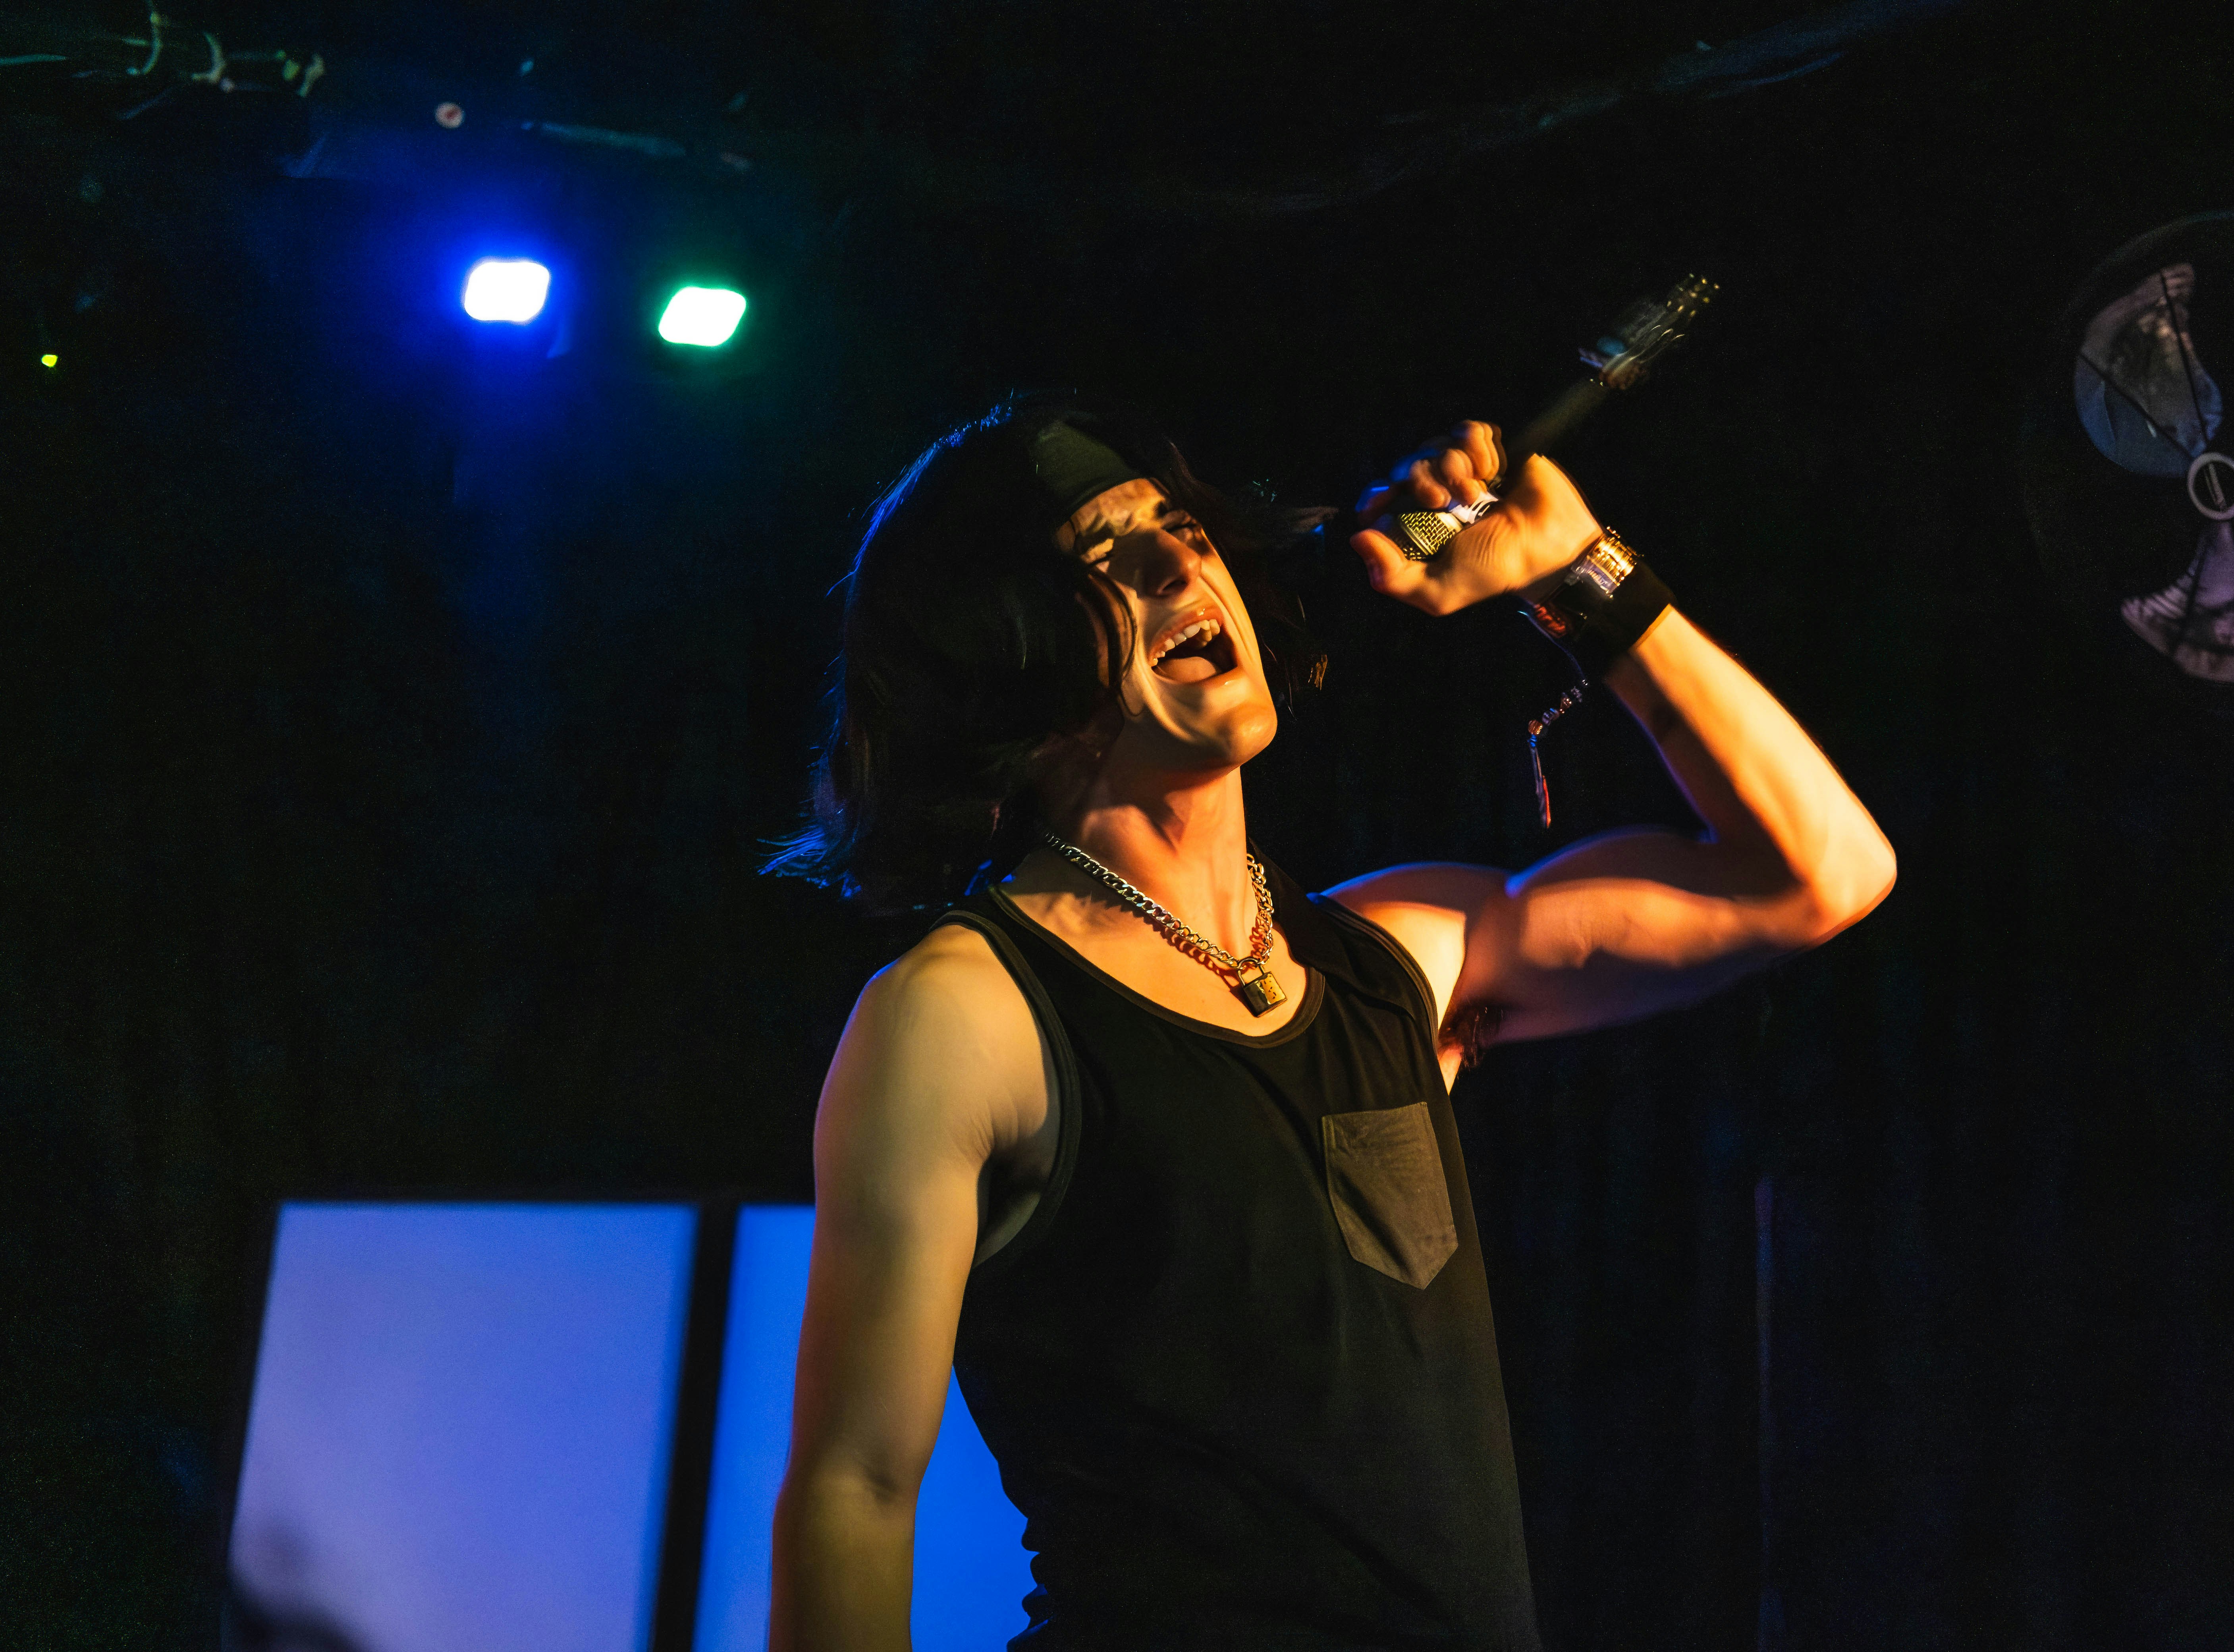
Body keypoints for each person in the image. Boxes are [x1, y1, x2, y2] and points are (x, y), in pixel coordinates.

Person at [767, 400, 1897, 1650]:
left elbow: (1820, 874)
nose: (1176, 560)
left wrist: (1584, 573)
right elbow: (855, 1488)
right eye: (1105, 556)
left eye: (1181, 527)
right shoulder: (963, 1012)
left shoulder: (1390, 963)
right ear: (1005, 656)